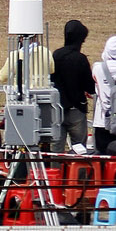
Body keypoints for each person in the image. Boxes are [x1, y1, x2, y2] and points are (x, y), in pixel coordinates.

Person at [51, 20, 94, 148]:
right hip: (76, 110)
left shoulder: (56, 55)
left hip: (57, 109)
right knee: (79, 150)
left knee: (56, 149)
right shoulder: (80, 59)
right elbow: (90, 87)